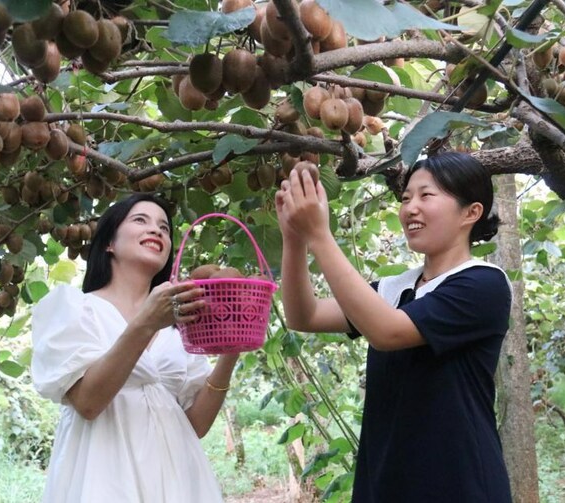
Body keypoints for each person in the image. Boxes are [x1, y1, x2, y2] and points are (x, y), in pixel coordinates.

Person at [274, 152, 513, 502]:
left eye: (426, 195)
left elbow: (388, 332)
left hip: (458, 482)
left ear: (471, 213)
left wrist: (320, 235)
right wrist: (295, 238)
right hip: (388, 478)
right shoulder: (394, 288)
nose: (410, 208)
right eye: (405, 198)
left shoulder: (483, 284)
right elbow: (303, 315)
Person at [30, 193, 239, 502]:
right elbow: (88, 403)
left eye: (164, 228)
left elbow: (196, 424)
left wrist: (231, 351)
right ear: (108, 243)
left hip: (178, 478)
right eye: (140, 220)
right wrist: (145, 323)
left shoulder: (179, 324)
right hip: (103, 477)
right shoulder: (74, 309)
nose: (156, 231)